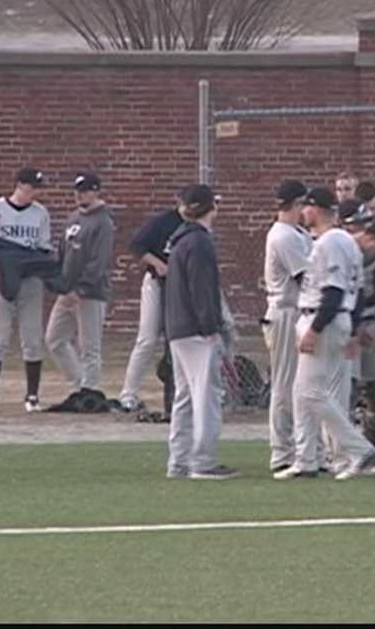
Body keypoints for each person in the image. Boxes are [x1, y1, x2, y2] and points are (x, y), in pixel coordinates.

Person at [275, 187, 375, 481]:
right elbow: (359, 291)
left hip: (324, 319)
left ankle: (359, 449)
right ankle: (306, 459)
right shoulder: (342, 242)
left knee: (312, 392)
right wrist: (352, 329)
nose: (303, 212)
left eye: (307, 207)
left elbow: (336, 290)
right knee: (303, 393)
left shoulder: (332, 242)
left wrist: (315, 329)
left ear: (315, 209)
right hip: (331, 319)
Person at [164, 184, 238, 480]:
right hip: (196, 330)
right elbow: (202, 288)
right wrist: (210, 327)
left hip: (177, 327)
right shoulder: (200, 242)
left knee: (184, 397)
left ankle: (179, 460)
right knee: (206, 395)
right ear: (212, 207)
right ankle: (202, 461)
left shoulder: (180, 240)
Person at [0, 167, 54, 414]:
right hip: (1, 278)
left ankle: (32, 396)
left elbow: (43, 248)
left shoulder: (40, 213)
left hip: (29, 279)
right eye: (31, 186)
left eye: (37, 188)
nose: (34, 192)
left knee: (32, 338)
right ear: (19, 185)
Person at [44, 172, 116, 408]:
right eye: (77, 190)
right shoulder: (73, 218)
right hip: (67, 291)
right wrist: (60, 283)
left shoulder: (103, 222)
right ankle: (79, 385)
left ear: (96, 191)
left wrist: (81, 289)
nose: (79, 195)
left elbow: (99, 260)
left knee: (89, 346)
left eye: (85, 190)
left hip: (91, 293)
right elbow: (63, 252)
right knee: (54, 339)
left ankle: (90, 391)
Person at [338, 198, 375, 459]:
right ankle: (343, 449)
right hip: (347, 322)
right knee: (344, 388)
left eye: (362, 225)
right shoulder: (341, 250)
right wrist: (354, 326)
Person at [117, 194, 187, 413]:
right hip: (157, 284)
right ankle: (128, 393)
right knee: (147, 338)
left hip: (182, 287)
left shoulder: (197, 227)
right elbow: (137, 245)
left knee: (181, 339)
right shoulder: (164, 221)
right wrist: (157, 263)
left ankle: (184, 392)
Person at [261, 180, 313, 475]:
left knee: (299, 382)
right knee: (284, 382)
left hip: (296, 312)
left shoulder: (297, 233)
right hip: (285, 313)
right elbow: (304, 277)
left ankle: (299, 446)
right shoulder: (283, 236)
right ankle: (282, 450)